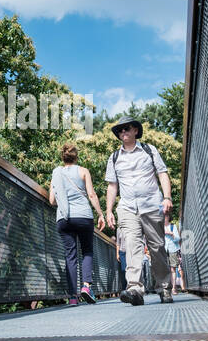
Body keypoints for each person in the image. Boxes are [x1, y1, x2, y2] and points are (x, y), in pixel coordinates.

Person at [104, 116, 173, 306]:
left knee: (157, 248)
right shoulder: (114, 157)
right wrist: (109, 210)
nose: (122, 132)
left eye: (126, 129)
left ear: (135, 130)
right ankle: (135, 289)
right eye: (119, 130)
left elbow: (162, 174)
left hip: (151, 205)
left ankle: (164, 288)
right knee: (132, 248)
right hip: (127, 208)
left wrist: (167, 197)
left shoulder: (149, 150)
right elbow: (112, 186)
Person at [49, 141, 105, 305]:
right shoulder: (83, 171)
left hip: (64, 219)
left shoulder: (56, 174)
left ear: (63, 157)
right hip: (83, 216)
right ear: (76, 156)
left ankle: (73, 297)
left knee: (70, 255)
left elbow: (52, 200)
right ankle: (86, 286)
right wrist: (100, 214)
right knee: (87, 250)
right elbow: (92, 195)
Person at [164, 219, 183, 292]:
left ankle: (173, 288)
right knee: (164, 270)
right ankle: (166, 288)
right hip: (163, 250)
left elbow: (178, 239)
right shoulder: (159, 226)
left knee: (173, 269)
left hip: (173, 249)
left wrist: (171, 234)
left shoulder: (173, 226)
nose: (165, 218)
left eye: (166, 216)